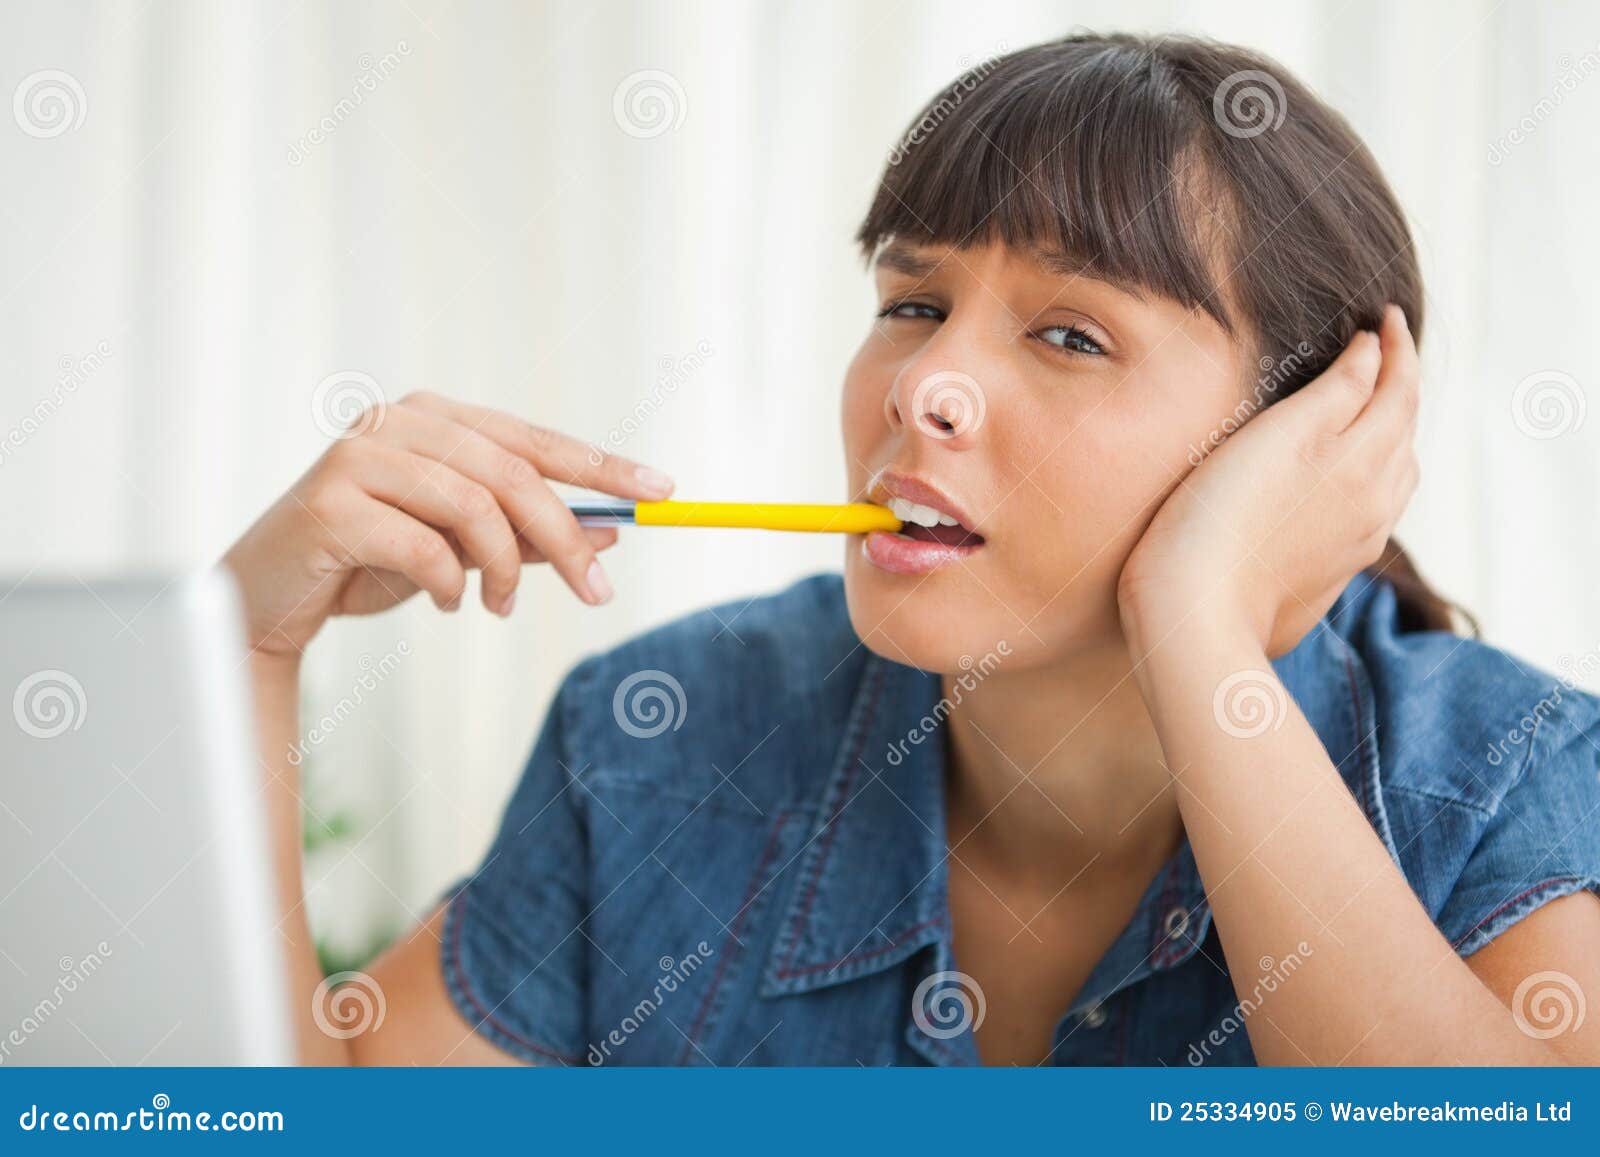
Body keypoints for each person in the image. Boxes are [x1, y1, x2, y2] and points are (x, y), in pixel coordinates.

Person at [223, 32, 1600, 1066]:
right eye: (912, 300)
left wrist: (1195, 617)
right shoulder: (665, 741)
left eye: (1070, 333)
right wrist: (243, 653)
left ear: (1305, 442)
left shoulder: (1500, 775)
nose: (921, 384)